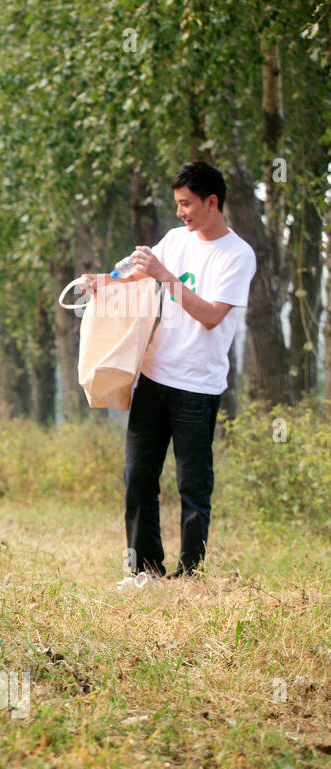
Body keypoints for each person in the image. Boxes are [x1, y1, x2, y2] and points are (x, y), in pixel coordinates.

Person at [85, 161, 256, 578]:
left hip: (197, 386)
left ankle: (190, 574)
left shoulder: (238, 255)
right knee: (137, 476)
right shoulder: (176, 239)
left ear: (212, 202)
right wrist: (102, 279)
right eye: (177, 204)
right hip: (154, 375)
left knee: (192, 485)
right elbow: (135, 273)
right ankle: (144, 569)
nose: (180, 212)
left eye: (186, 204)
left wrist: (168, 276)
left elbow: (212, 315)